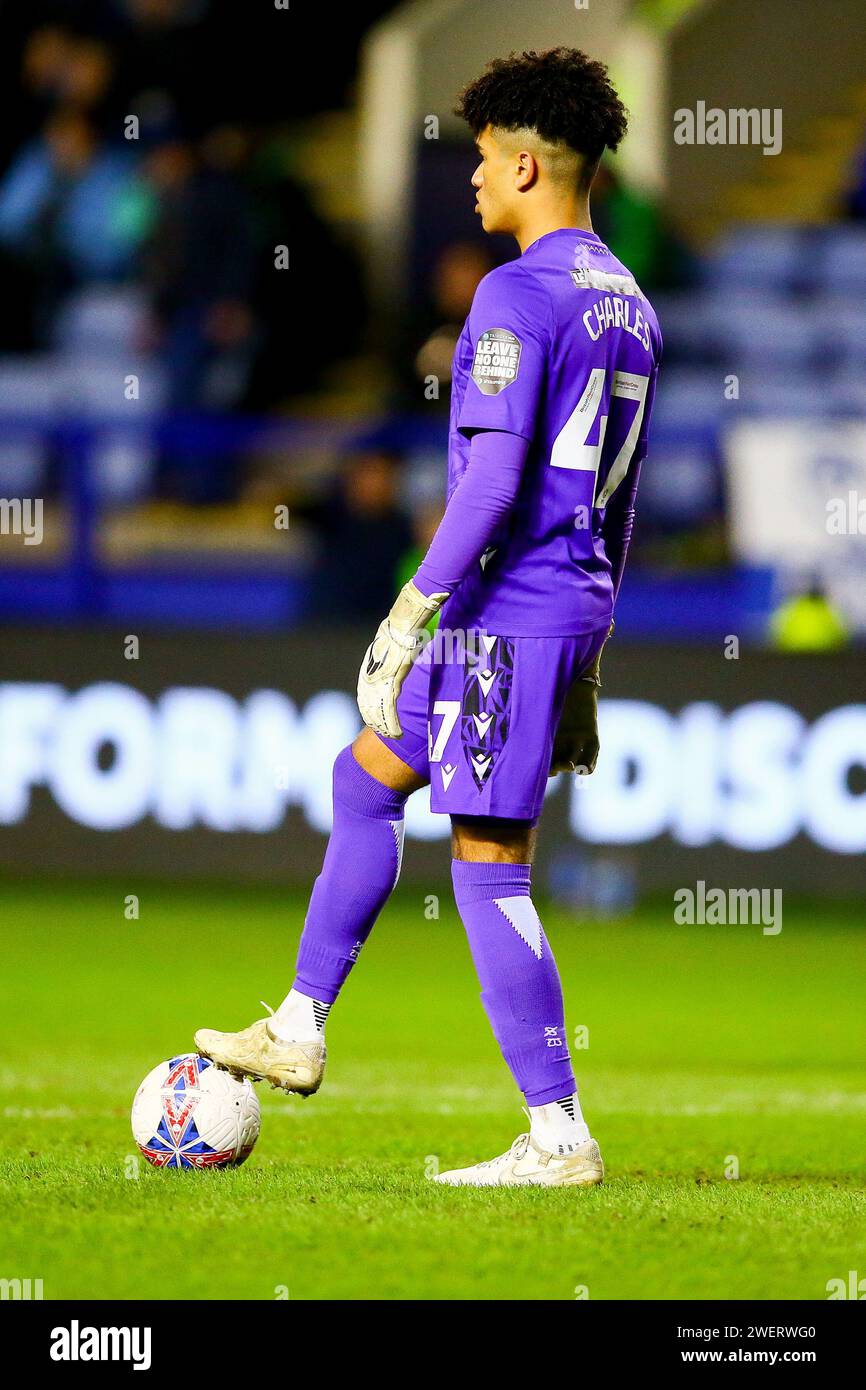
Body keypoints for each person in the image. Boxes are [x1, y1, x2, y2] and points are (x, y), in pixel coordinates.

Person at [195, 48, 662, 1189]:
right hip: (546, 610)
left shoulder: (514, 294)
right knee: (365, 779)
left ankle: (557, 1136)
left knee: (488, 868)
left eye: (478, 160)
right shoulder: (630, 302)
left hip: (503, 616)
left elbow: (495, 487)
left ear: (522, 161)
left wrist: (409, 610)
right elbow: (620, 494)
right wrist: (590, 661)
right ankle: (300, 1025)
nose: (467, 182)